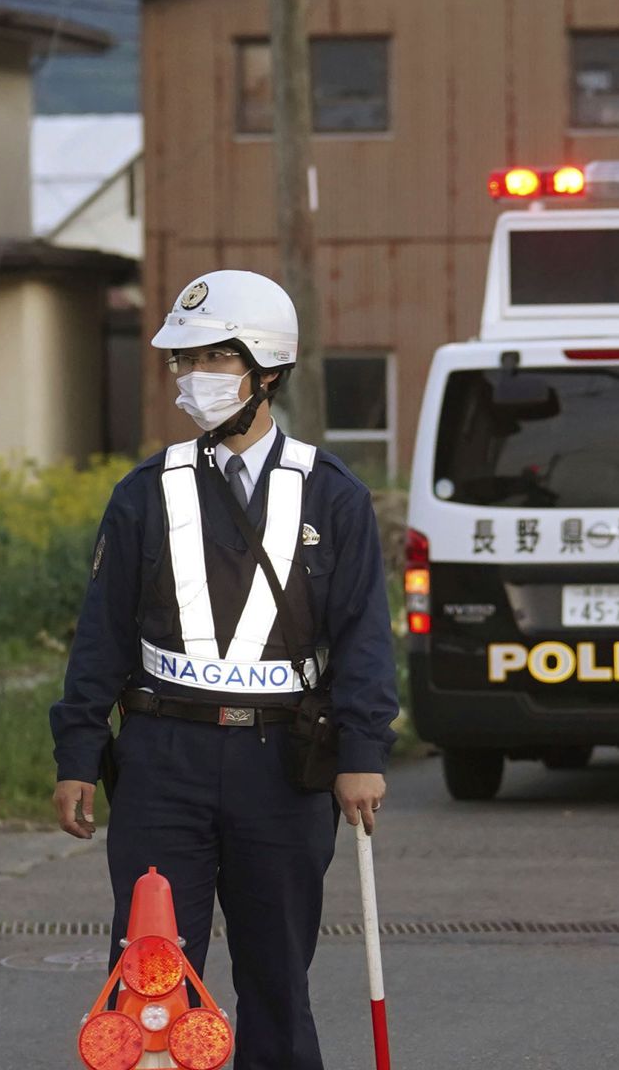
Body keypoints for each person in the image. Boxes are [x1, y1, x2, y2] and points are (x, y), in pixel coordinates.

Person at [51, 269, 398, 1070]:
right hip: (161, 760)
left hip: (282, 766)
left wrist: (362, 755)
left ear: (265, 369)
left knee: (277, 977)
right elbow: (100, 633)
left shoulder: (331, 494)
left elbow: (363, 636)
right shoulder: (145, 491)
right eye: (181, 361)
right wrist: (76, 751)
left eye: (209, 359)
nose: (188, 379)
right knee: (148, 977)